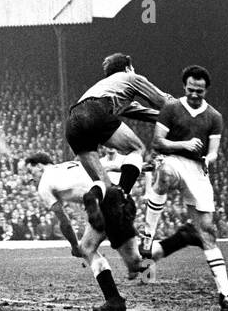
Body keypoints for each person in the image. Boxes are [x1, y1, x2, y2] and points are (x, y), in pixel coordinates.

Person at [24, 150, 199, 311]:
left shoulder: (44, 185)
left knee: (135, 263)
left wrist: (73, 245)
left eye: (30, 172)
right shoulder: (69, 165)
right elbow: (106, 167)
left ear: (40, 166)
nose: (29, 178)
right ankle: (114, 299)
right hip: (111, 201)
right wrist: (142, 167)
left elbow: (64, 222)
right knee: (87, 248)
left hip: (109, 206)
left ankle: (184, 237)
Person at [139, 65, 228, 311]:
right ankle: (148, 235)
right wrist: (184, 144)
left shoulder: (214, 117)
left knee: (207, 232)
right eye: (191, 89)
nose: (195, 94)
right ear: (184, 87)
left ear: (205, 89)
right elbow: (157, 142)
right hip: (173, 158)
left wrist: (209, 159)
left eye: (199, 90)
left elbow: (213, 151)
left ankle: (226, 297)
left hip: (198, 170)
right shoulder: (171, 109)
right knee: (163, 174)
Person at [65, 52, 172, 249]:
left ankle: (104, 229)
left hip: (72, 122)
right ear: (128, 67)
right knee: (137, 149)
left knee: (106, 190)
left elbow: (149, 114)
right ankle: (123, 196)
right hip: (96, 111)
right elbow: (163, 101)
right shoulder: (131, 77)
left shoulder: (107, 88)